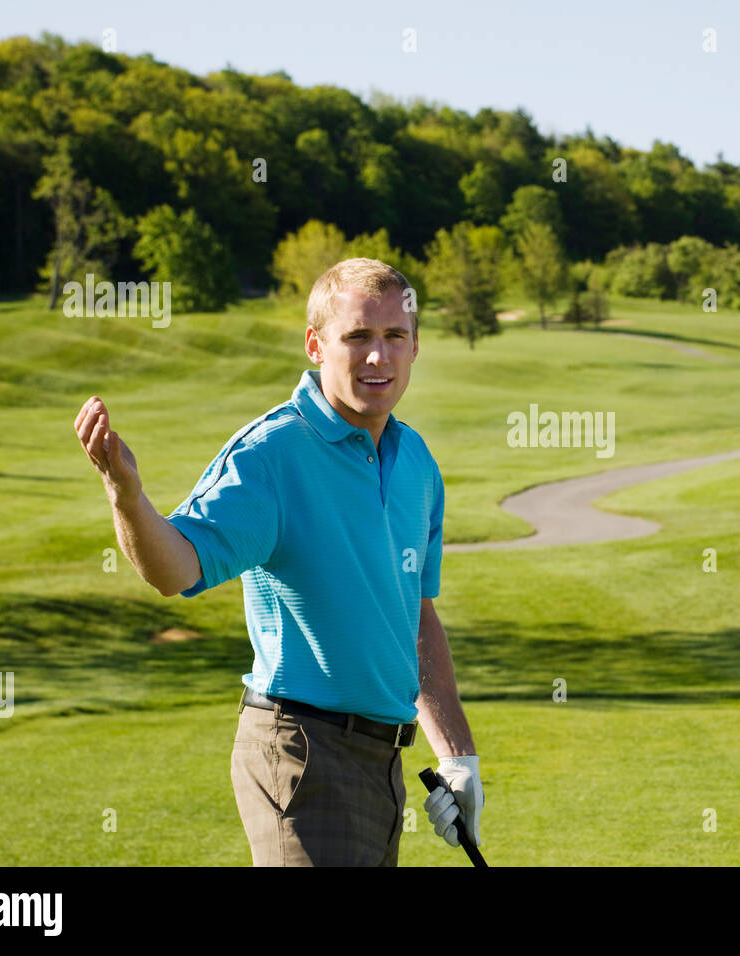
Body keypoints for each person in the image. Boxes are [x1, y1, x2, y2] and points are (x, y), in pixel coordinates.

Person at [74, 258, 483, 865]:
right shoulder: (272, 453)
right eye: (358, 337)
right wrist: (127, 499)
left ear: (416, 345)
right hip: (303, 754)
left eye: (395, 336)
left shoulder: (416, 462)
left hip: (385, 765)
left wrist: (456, 755)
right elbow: (176, 569)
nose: (379, 357)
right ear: (317, 344)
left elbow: (415, 620)